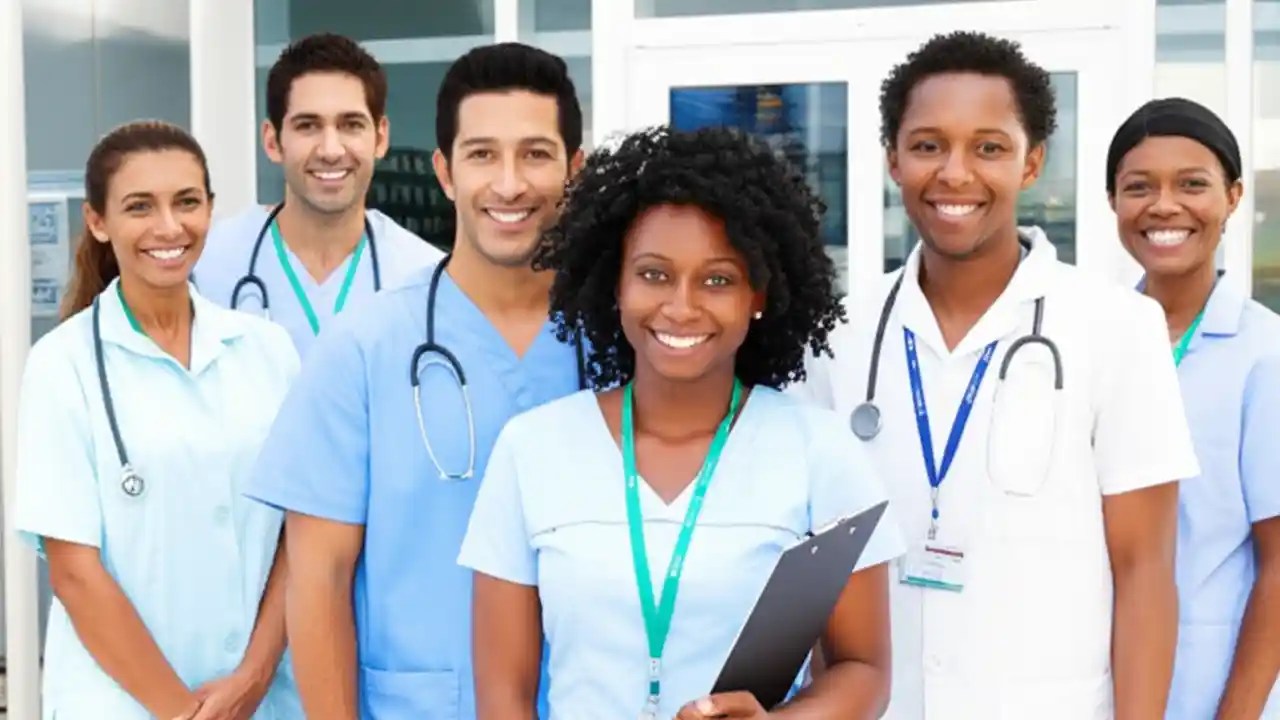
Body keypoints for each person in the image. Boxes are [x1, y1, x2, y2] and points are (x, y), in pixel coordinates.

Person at [796, 31, 1201, 719]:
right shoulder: (837, 333)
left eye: (989, 147)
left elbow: (1145, 572)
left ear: (1032, 162)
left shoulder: (1117, 327)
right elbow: (818, 565)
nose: (955, 173)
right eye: (928, 145)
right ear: (892, 159)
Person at [456, 124, 905, 720]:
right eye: (654, 274)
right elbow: (504, 696)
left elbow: (863, 669)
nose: (681, 306)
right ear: (614, 283)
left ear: (758, 295)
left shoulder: (818, 450)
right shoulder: (532, 448)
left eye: (717, 280)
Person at [242, 43, 587, 718]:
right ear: (445, 172)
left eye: (536, 154)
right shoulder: (363, 348)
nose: (509, 183)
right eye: (482, 154)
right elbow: (318, 581)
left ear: (575, 169)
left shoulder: (621, 342)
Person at [13, 120, 302, 719]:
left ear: (211, 210)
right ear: (98, 222)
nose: (169, 227)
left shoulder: (268, 351)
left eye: (187, 202)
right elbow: (74, 575)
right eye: (139, 207)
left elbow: (297, 538)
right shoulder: (61, 365)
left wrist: (250, 680)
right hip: (123, 704)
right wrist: (184, 713)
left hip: (260, 698)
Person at [1107, 97, 1280, 719]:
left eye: (1192, 185)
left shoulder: (1265, 355)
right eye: (1138, 187)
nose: (1163, 206)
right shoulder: (1096, 340)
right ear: (1113, 204)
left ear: (1233, 197)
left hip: (1205, 692)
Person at [195, 32, 443, 357]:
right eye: (307, 126)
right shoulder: (208, 265)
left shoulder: (425, 278)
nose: (330, 150)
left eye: (351, 125)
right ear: (272, 141)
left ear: (381, 138)